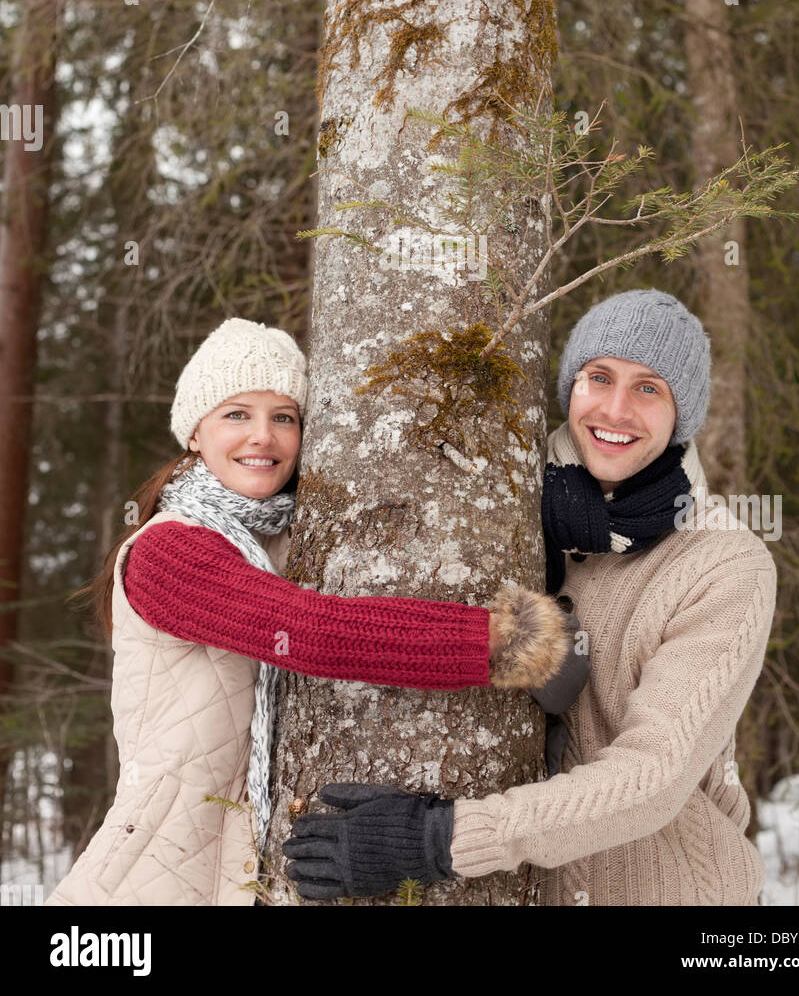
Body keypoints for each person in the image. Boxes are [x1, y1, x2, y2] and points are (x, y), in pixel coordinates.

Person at [44, 318, 587, 907]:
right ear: (194, 433)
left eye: (284, 417)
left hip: (242, 864)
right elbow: (308, 630)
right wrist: (506, 640)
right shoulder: (169, 550)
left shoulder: (282, 534)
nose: (263, 438)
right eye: (236, 414)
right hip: (159, 867)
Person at [284, 288, 778, 906]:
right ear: (572, 385)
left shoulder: (722, 562)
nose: (617, 409)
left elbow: (653, 777)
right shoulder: (510, 502)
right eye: (599, 378)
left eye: (649, 388)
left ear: (684, 413)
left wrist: (440, 839)